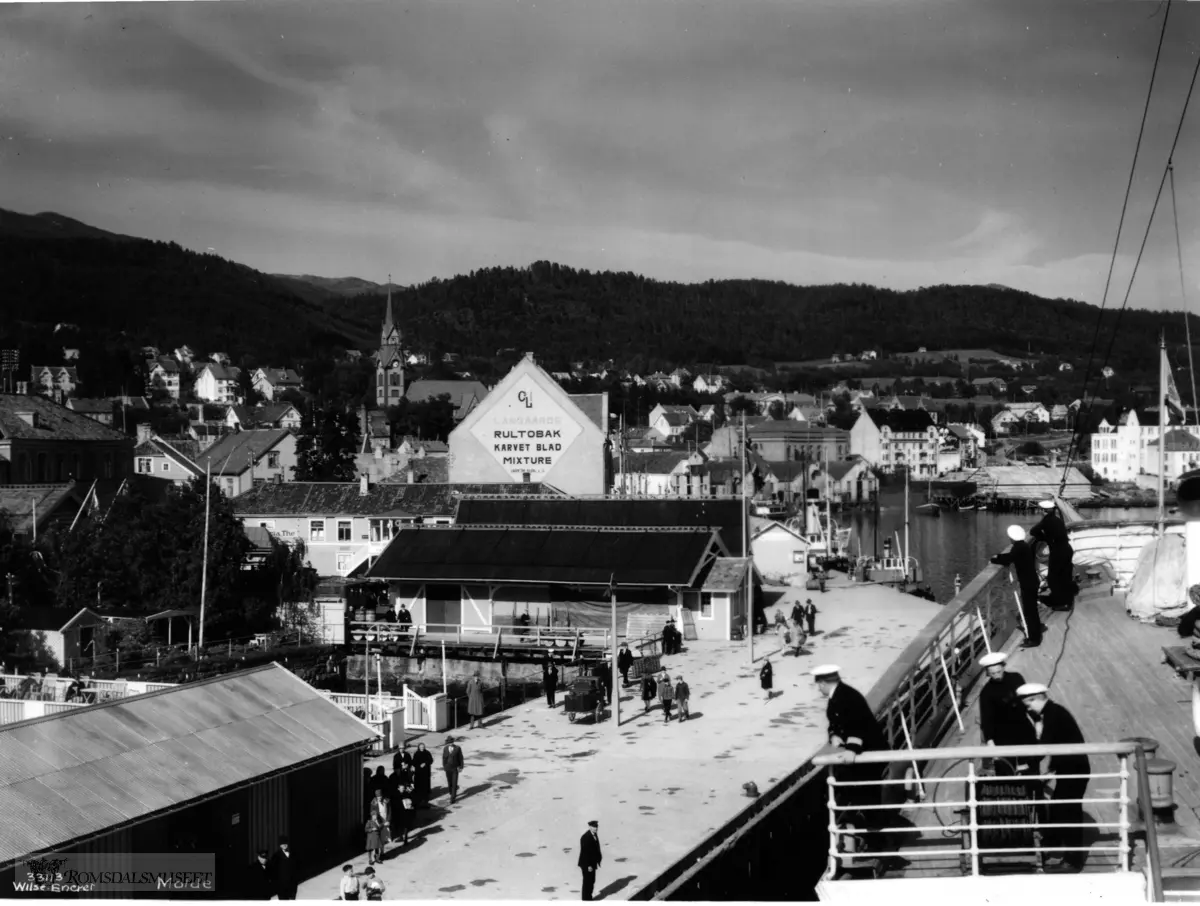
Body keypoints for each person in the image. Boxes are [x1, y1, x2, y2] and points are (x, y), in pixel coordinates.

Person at [813, 665, 907, 871]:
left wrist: (852, 749)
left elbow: (858, 724)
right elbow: (836, 722)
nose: (818, 689)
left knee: (867, 800)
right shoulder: (838, 696)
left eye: (818, 685)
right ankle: (873, 842)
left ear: (824, 683)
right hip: (860, 757)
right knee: (860, 799)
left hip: (867, 757)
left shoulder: (847, 697)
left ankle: (881, 848)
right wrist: (834, 735)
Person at [1018, 682, 1090, 870]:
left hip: (1074, 770)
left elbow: (1045, 746)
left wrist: (1027, 764)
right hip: (1068, 768)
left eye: (1028, 704)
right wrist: (1050, 770)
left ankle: (1073, 861)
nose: (1028, 709)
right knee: (1058, 809)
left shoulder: (1053, 715)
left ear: (1035, 699)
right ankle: (1052, 847)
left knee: (1070, 813)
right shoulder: (1053, 712)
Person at [977, 652, 1037, 774]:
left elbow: (1028, 701)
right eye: (993, 673)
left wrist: (1037, 721)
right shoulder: (986, 693)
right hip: (1003, 735)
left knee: (1032, 765)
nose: (997, 676)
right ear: (987, 673)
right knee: (1006, 769)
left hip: (1024, 729)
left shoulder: (1016, 678)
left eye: (999, 671)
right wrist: (990, 741)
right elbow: (987, 718)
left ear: (1003, 667)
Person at [991, 525, 1043, 648]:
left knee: (1029, 612)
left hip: (1028, 583)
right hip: (1032, 581)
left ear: (1012, 538)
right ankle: (1036, 631)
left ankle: (1034, 639)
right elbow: (1011, 556)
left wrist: (994, 559)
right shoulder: (1023, 546)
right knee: (1032, 610)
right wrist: (999, 556)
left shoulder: (1018, 548)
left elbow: (1008, 558)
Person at [1031, 499, 1076, 611]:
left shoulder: (1047, 520)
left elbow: (1033, 531)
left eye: (1042, 510)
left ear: (1044, 511)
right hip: (1067, 549)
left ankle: (1060, 602)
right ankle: (1067, 601)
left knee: (1054, 578)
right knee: (1065, 576)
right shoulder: (1057, 519)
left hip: (1058, 551)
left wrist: (1044, 538)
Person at [578, 819, 602, 901]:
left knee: (592, 881)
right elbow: (584, 853)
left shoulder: (594, 834)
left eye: (596, 826)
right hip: (587, 864)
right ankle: (586, 899)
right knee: (587, 882)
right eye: (594, 827)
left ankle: (589, 897)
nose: (596, 828)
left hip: (592, 863)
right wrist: (588, 865)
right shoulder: (585, 837)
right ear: (590, 827)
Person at [368, 787, 392, 859]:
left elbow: (389, 812)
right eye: (378, 797)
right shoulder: (373, 803)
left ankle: (382, 853)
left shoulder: (386, 801)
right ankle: (376, 855)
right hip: (378, 823)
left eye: (380, 797)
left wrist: (388, 820)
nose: (379, 798)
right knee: (377, 839)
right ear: (376, 797)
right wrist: (379, 823)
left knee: (383, 838)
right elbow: (373, 814)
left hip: (385, 822)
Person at [442, 736, 465, 804]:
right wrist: (444, 766)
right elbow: (444, 758)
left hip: (455, 768)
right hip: (448, 768)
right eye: (449, 742)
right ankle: (451, 792)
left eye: (451, 742)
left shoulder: (457, 748)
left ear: (453, 742)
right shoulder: (445, 748)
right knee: (450, 782)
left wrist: (461, 767)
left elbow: (461, 758)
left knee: (454, 783)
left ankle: (453, 797)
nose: (450, 743)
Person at [411, 741, 433, 807]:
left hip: (426, 773)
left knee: (426, 786)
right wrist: (415, 766)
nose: (422, 748)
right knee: (419, 786)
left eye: (423, 747)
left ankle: (426, 798)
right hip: (419, 773)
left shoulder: (427, 753)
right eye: (421, 747)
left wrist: (425, 763)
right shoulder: (416, 753)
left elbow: (431, 760)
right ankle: (419, 798)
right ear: (419, 747)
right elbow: (414, 762)